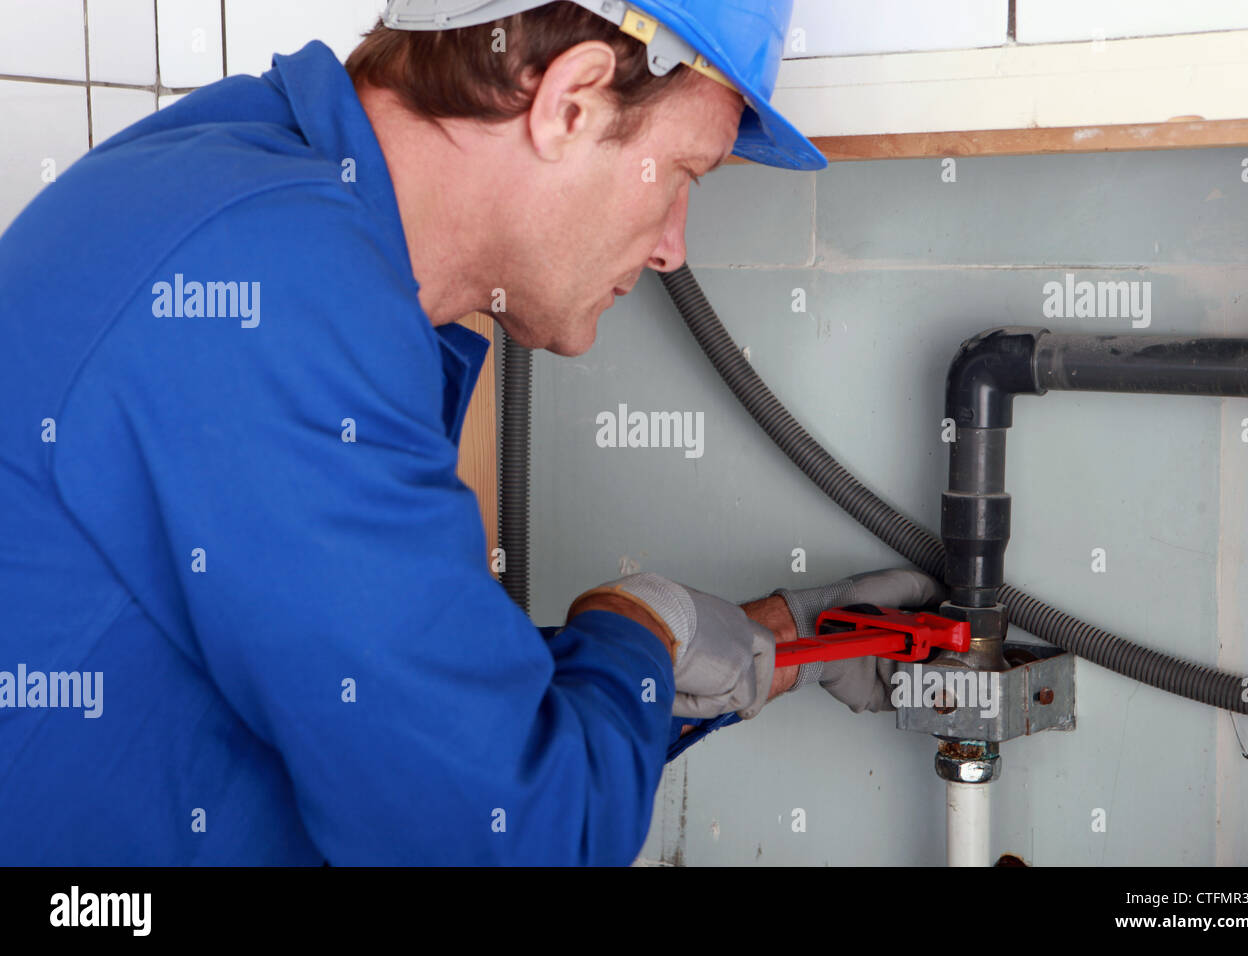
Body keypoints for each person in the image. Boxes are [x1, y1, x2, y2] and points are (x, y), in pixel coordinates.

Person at [0, 0, 941, 864]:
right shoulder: (275, 300)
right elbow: (507, 841)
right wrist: (643, 626)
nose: (671, 246)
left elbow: (403, 711)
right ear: (570, 101)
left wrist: (760, 642)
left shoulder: (267, 199)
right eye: (684, 171)